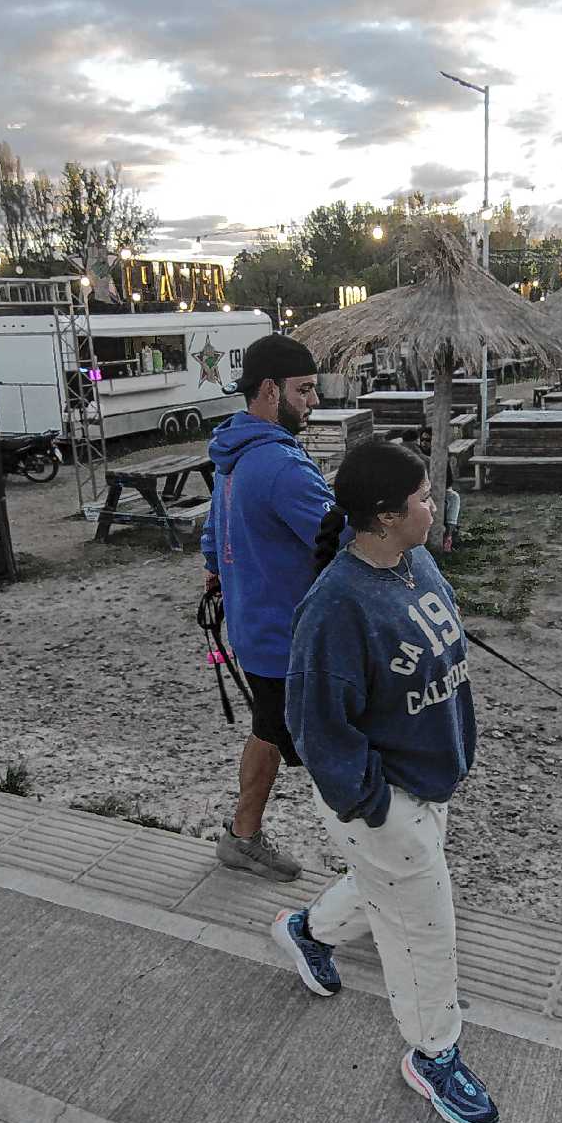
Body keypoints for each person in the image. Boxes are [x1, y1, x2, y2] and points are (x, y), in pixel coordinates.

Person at [270, 438, 498, 1123]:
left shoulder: (415, 561)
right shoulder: (334, 607)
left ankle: (307, 931)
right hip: (381, 800)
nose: (437, 505)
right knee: (426, 931)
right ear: (384, 516)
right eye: (425, 498)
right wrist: (373, 803)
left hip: (431, 780)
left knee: (390, 895)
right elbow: (313, 724)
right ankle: (433, 1055)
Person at [199, 333, 330, 882]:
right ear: (271, 391)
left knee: (269, 732)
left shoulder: (233, 451)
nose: (314, 402)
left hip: (255, 632)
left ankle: (242, 837)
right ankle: (386, 873)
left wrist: (229, 575)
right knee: (341, 752)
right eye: (306, 390)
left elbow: (211, 540)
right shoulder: (280, 465)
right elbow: (345, 540)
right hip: (290, 640)